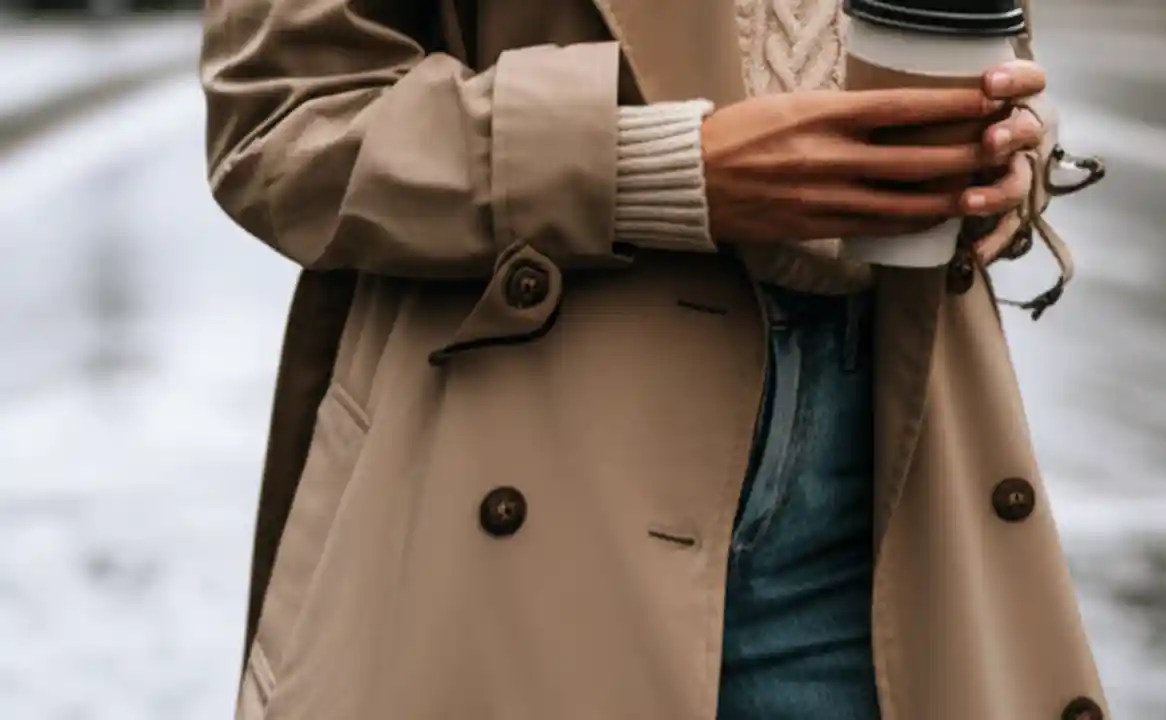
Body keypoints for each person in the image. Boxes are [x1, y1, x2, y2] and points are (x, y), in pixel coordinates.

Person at [200, 0, 1108, 718]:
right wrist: (663, 166)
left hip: (883, 470)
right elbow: (286, 120)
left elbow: (971, 40)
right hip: (538, 447)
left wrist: (1005, 142)